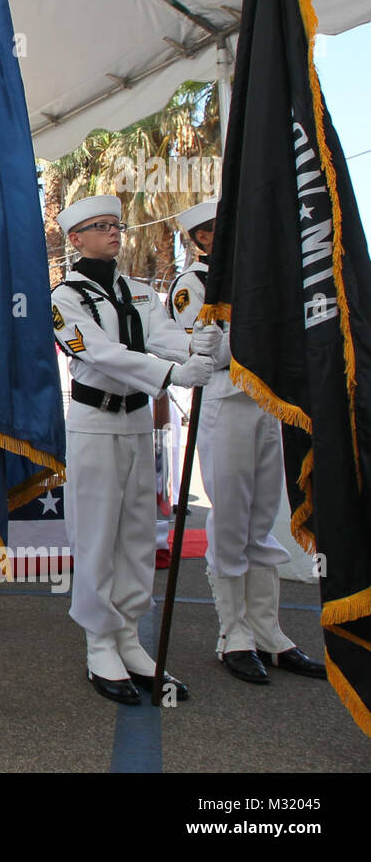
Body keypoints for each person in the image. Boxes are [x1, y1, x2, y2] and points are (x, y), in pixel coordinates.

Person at [51, 194, 221, 706]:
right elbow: (99, 352)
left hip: (135, 421)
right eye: (100, 227)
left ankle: (129, 635)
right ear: (75, 239)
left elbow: (163, 334)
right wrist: (173, 373)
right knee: (98, 535)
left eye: (117, 226)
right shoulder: (64, 298)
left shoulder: (140, 291)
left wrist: (196, 347)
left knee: (137, 535)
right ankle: (99, 641)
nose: (114, 233)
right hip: (94, 420)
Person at [168, 200, 325, 683]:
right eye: (215, 231)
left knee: (261, 523)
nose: (227, 236)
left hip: (265, 405)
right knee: (232, 523)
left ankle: (270, 632)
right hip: (227, 404)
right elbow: (207, 354)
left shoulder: (258, 278)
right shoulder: (193, 286)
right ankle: (232, 634)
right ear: (201, 239)